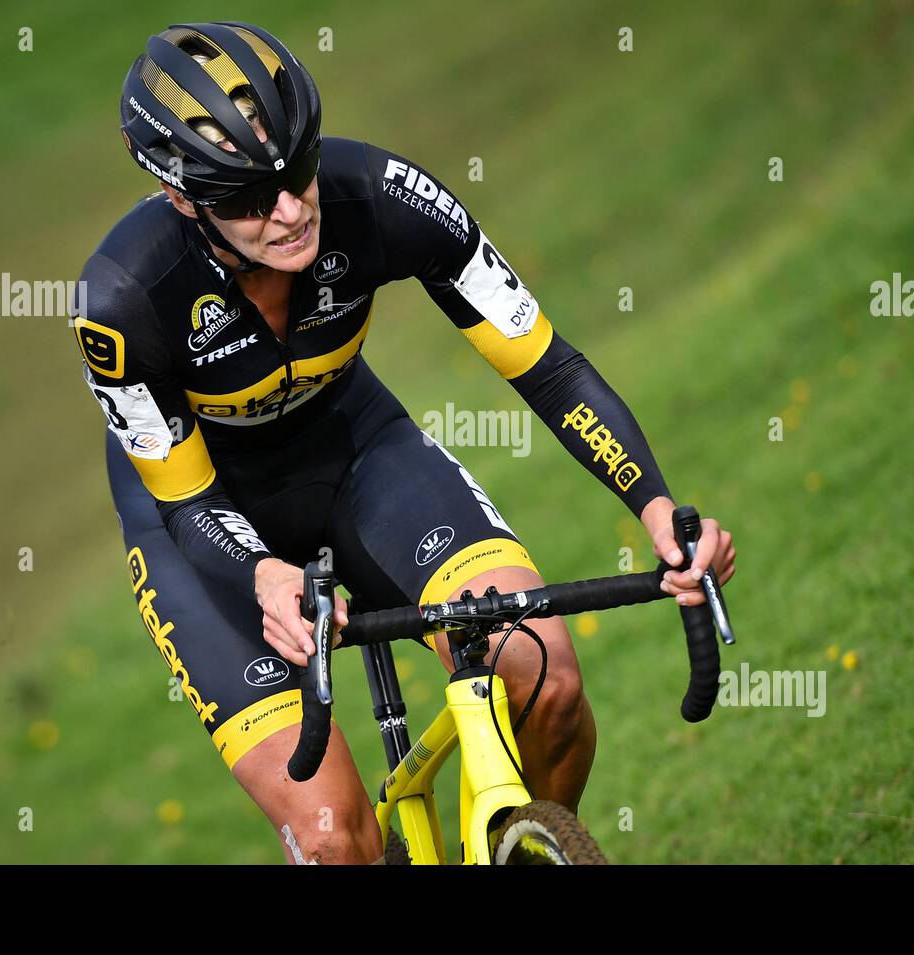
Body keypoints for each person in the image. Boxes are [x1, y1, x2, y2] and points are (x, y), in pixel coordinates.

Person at [71, 21, 735, 864]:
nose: (287, 211)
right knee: (333, 835)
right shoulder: (122, 299)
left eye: (297, 172)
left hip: (355, 453)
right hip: (206, 529)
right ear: (182, 199)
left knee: (549, 678)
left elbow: (548, 368)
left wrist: (655, 505)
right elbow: (186, 502)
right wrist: (267, 575)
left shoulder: (384, 196)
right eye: (244, 199)